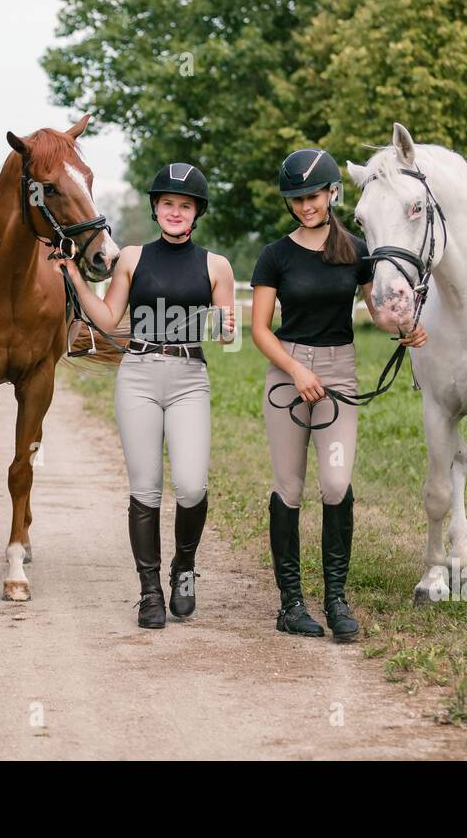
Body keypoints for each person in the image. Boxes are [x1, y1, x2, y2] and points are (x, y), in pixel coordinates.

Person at [250, 148, 427, 640]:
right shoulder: (275, 255)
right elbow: (259, 329)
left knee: (334, 483)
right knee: (289, 486)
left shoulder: (356, 252)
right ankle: (290, 604)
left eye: (314, 195)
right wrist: (293, 369)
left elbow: (380, 312)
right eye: (297, 198)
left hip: (339, 376)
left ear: (332, 194)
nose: (306, 206)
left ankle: (335, 599)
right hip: (287, 373)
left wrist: (406, 329)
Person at [60, 163, 236, 628]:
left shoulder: (216, 265)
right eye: (168, 204)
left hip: (188, 378)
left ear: (196, 212)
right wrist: (76, 279)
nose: (176, 212)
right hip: (137, 373)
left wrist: (227, 325)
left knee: (193, 485)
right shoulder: (133, 258)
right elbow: (106, 315)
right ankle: (149, 590)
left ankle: (183, 568)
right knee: (146, 489)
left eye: (185, 205)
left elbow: (224, 336)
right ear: (156, 209)